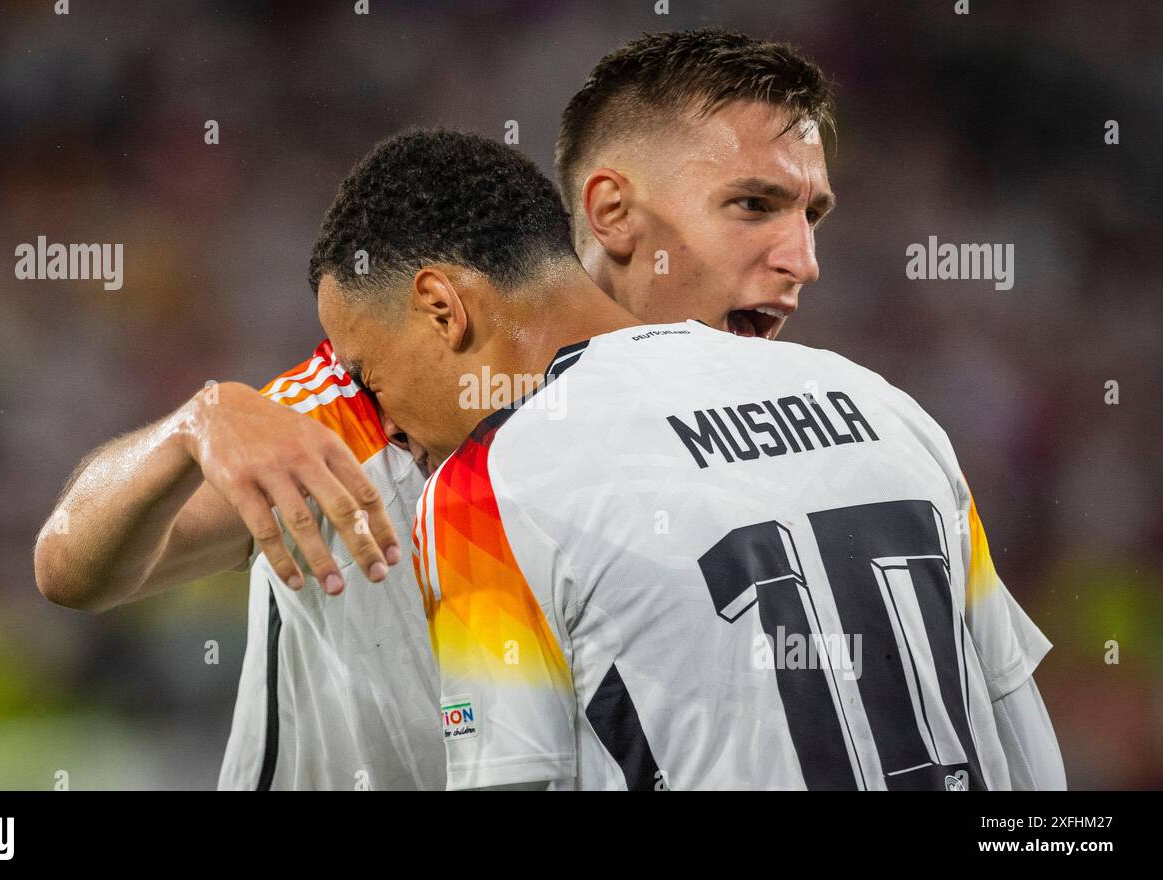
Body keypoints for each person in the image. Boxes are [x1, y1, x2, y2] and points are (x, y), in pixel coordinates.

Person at [315, 127, 1064, 791]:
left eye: (368, 377)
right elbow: (1021, 740)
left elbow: (513, 780)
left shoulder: (482, 487)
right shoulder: (881, 403)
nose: (389, 434)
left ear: (443, 308)